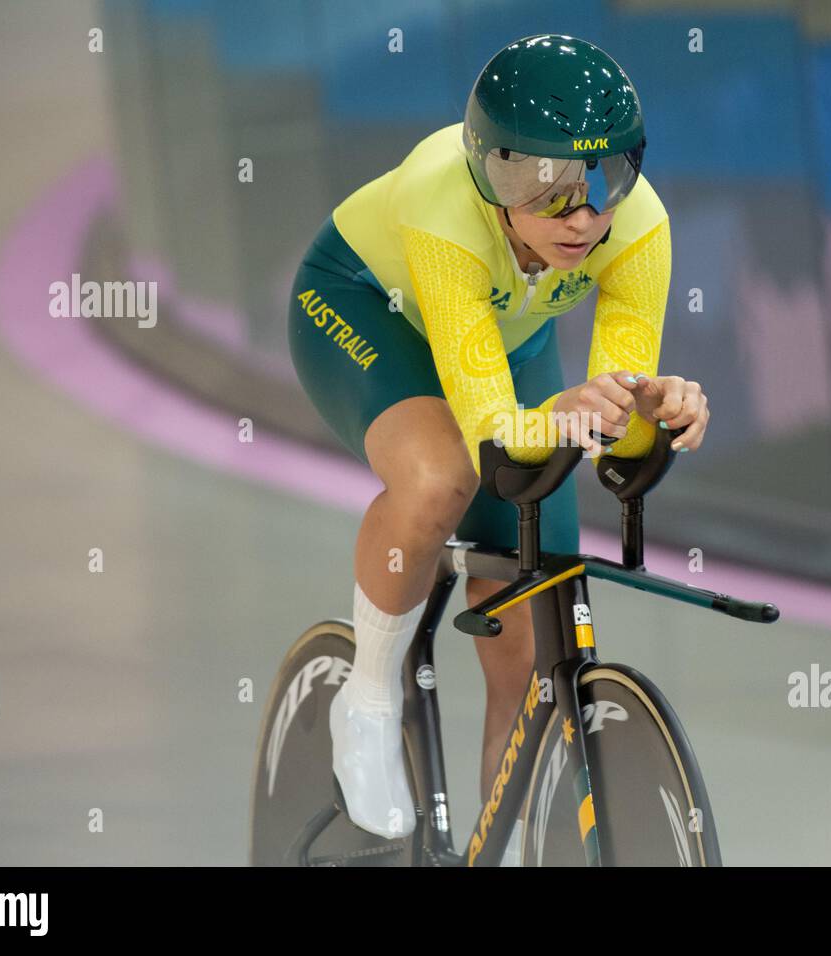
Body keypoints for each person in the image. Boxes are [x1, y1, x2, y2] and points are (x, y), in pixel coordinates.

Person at [287, 34, 709, 839]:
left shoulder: (641, 226)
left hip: (505, 344)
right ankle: (368, 698)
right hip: (367, 309)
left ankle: (499, 848)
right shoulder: (442, 201)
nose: (583, 217)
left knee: (531, 622)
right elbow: (493, 435)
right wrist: (554, 419)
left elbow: (609, 436)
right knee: (442, 475)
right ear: (490, 172)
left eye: (605, 178)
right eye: (544, 189)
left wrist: (656, 413)